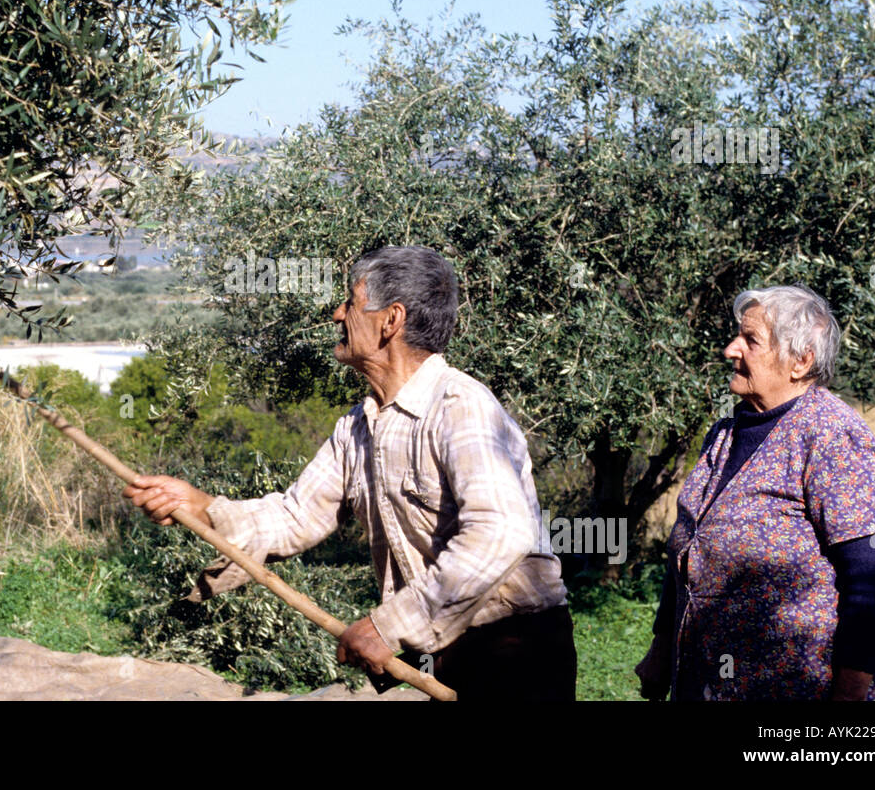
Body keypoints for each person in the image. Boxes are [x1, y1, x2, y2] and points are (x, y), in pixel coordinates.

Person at [124, 245, 575, 701]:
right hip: (434, 652)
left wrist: (390, 625)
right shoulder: (358, 428)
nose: (338, 314)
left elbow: (501, 532)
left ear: (391, 320)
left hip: (512, 649)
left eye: (351, 302)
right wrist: (200, 507)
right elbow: (296, 516)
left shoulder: (462, 408)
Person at [635, 284, 875, 701]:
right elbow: (689, 551)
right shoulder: (726, 432)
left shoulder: (833, 437)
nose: (730, 349)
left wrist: (849, 697)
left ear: (800, 362)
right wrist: (660, 647)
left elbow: (874, 583)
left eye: (750, 340)